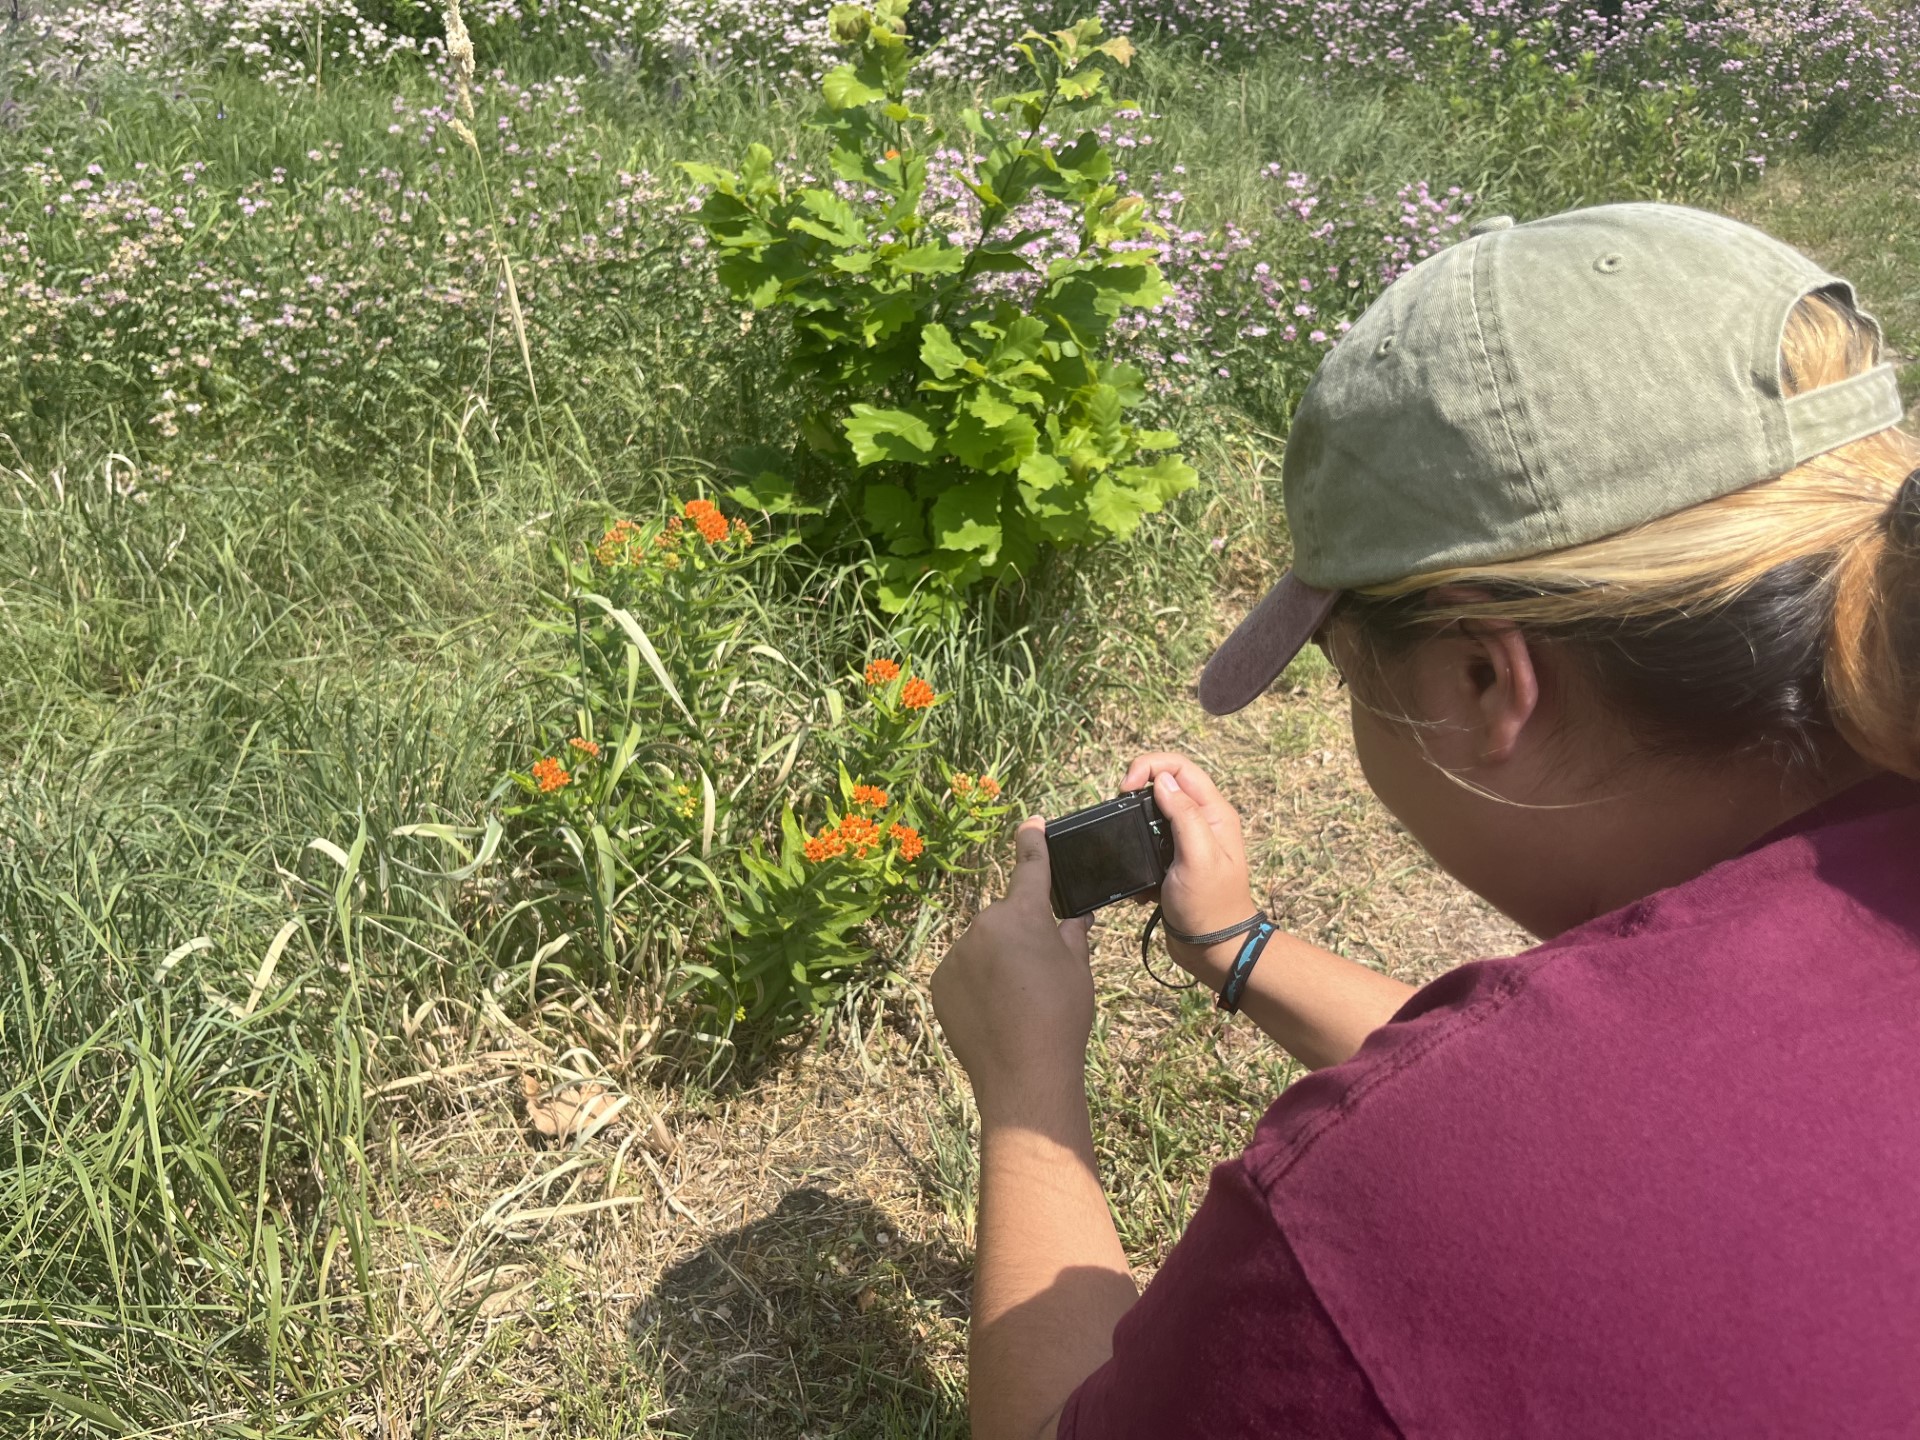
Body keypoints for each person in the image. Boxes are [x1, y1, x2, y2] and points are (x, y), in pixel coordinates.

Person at [929, 203, 1920, 1438]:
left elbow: (1521, 1124)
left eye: (1348, 677)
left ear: (1485, 682)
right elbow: (1606, 1098)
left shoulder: (1384, 1207)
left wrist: (1026, 1086)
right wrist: (1236, 945)